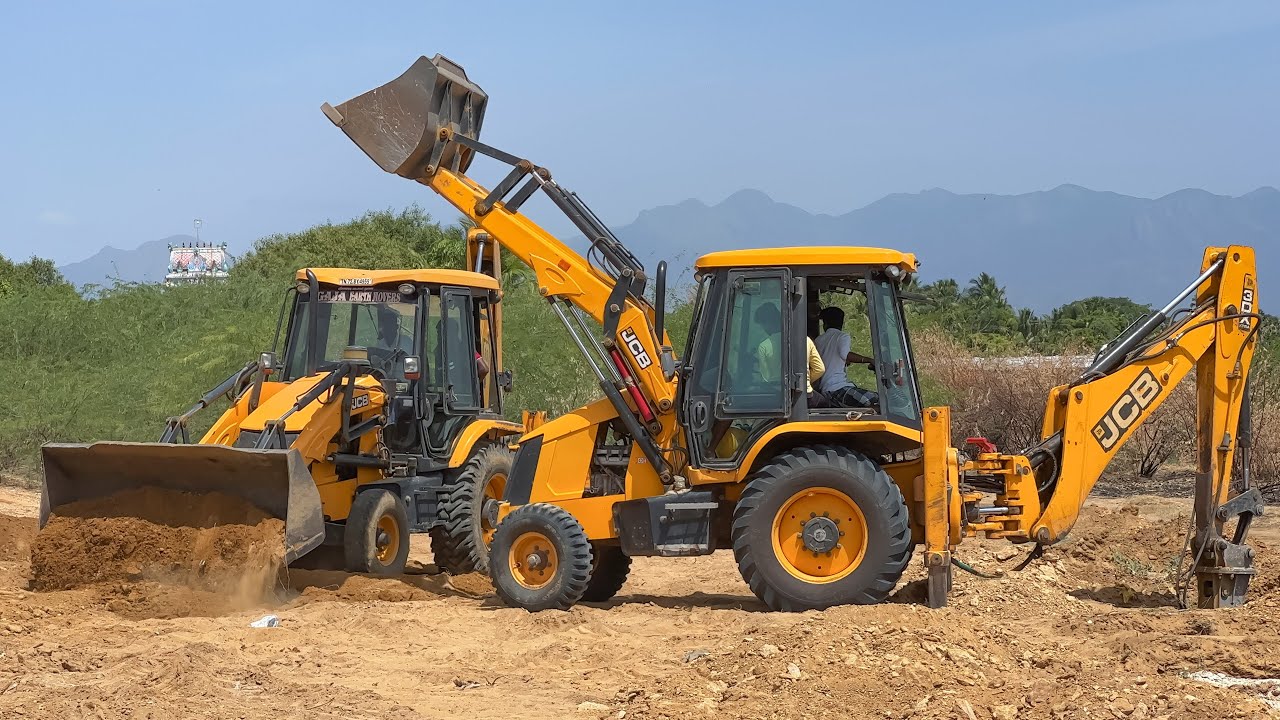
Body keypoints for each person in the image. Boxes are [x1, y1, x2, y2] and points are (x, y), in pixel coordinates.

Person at [753, 304, 827, 406]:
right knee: (825, 404)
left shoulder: (763, 346)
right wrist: (805, 381)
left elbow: (766, 377)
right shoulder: (806, 340)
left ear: (766, 323)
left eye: (762, 324)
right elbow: (820, 369)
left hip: (778, 395)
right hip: (805, 395)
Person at [814, 306, 879, 408]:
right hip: (837, 388)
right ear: (841, 323)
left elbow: (829, 359)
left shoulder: (819, 340)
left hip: (826, 390)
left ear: (825, 324)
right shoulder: (842, 336)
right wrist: (868, 360)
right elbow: (846, 354)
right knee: (877, 401)